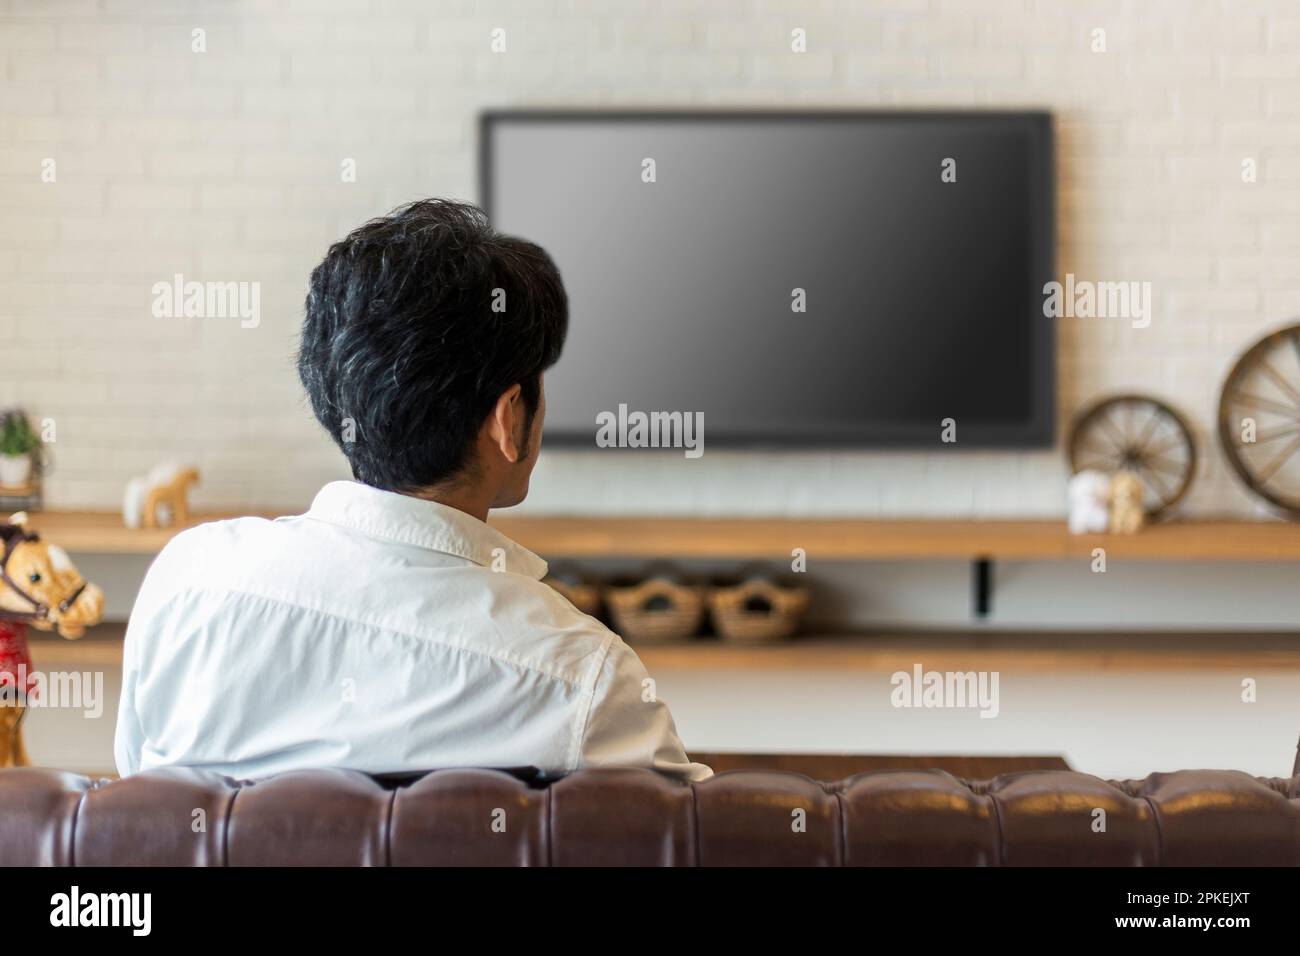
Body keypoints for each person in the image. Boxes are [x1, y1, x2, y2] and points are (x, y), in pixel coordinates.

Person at [114, 199, 711, 782]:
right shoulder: (585, 681)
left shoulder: (189, 582)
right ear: (508, 418)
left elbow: (140, 798)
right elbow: (691, 841)